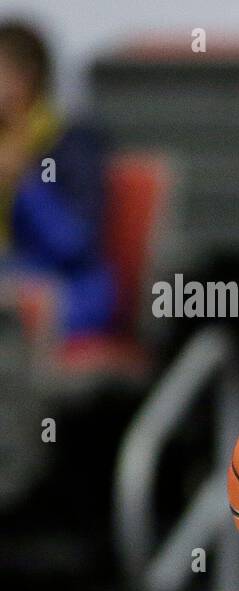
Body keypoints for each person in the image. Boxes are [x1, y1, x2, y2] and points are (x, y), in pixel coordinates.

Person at [0, 20, 114, 349]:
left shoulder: (70, 144)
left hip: (71, 289)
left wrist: (25, 182)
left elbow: (74, 243)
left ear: (24, 80)